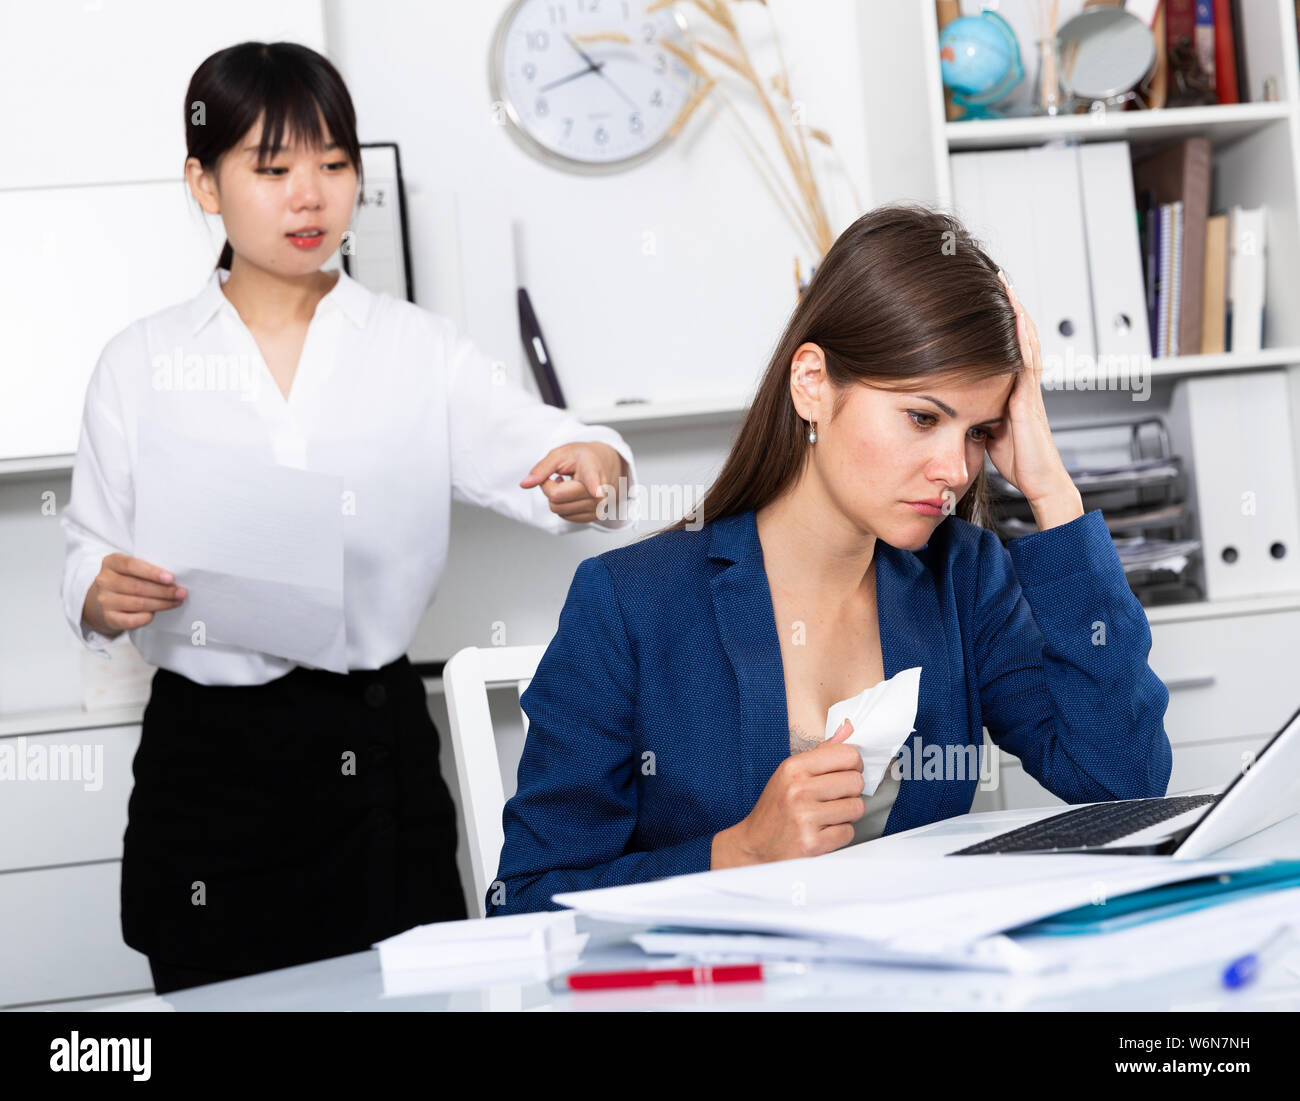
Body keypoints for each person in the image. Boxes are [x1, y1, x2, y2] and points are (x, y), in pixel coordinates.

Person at [59, 41, 637, 992]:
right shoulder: (140, 362)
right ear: (204, 184)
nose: (310, 196)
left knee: (407, 996)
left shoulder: (417, 349)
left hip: (370, 747)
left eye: (334, 164)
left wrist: (596, 469)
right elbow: (87, 548)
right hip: (207, 754)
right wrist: (98, 589)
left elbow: (570, 453)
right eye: (273, 167)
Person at [488, 204, 1173, 916]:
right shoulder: (629, 602)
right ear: (813, 383)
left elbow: (1124, 783)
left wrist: (1048, 483)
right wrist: (737, 853)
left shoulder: (965, 577)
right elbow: (524, 902)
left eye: (982, 432)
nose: (955, 468)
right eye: (922, 417)